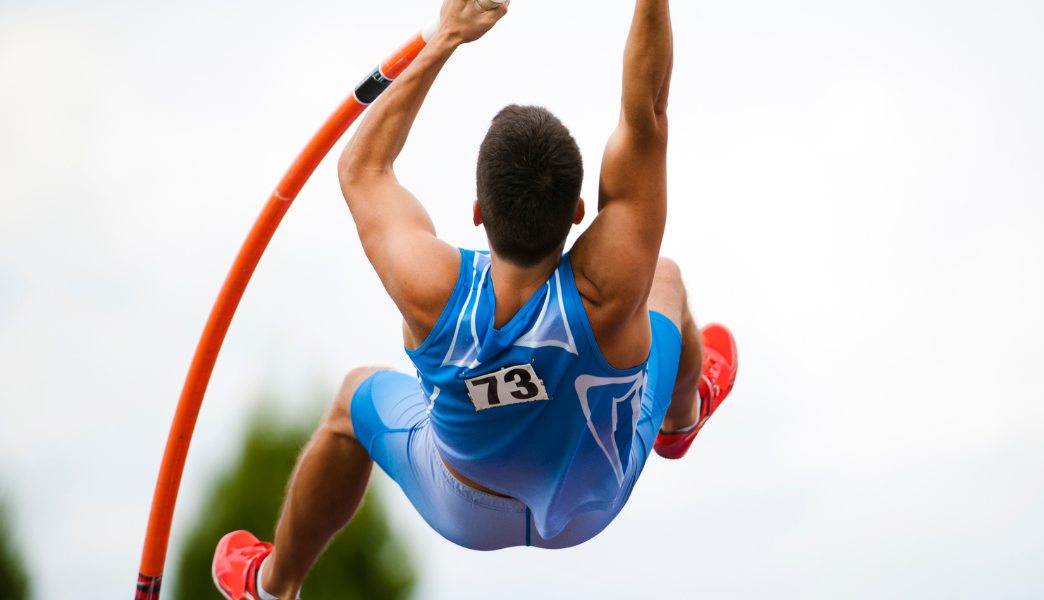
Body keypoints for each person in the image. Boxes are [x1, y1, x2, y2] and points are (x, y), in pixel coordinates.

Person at [212, 0, 737, 597]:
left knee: (351, 403)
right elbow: (648, 112)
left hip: (463, 505)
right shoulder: (609, 285)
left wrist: (444, 38)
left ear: (478, 211)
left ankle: (273, 584)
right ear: (578, 213)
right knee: (664, 278)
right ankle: (679, 418)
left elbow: (363, 170)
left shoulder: (431, 290)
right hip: (593, 500)